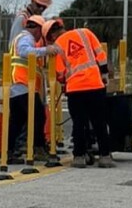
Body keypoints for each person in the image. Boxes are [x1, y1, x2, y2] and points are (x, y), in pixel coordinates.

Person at [44, 18, 114, 168]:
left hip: (75, 89)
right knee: (99, 122)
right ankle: (105, 156)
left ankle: (79, 157)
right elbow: (100, 55)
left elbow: (60, 73)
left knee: (79, 123)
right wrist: (104, 74)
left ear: (50, 36)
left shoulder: (56, 47)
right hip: (95, 85)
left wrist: (64, 82)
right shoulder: (85, 32)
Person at [8, 14, 60, 161]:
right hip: (24, 85)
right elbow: (25, 52)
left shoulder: (19, 38)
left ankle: (9, 152)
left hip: (18, 86)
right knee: (39, 116)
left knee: (17, 122)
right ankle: (38, 148)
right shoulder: (26, 38)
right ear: (37, 29)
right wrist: (46, 50)